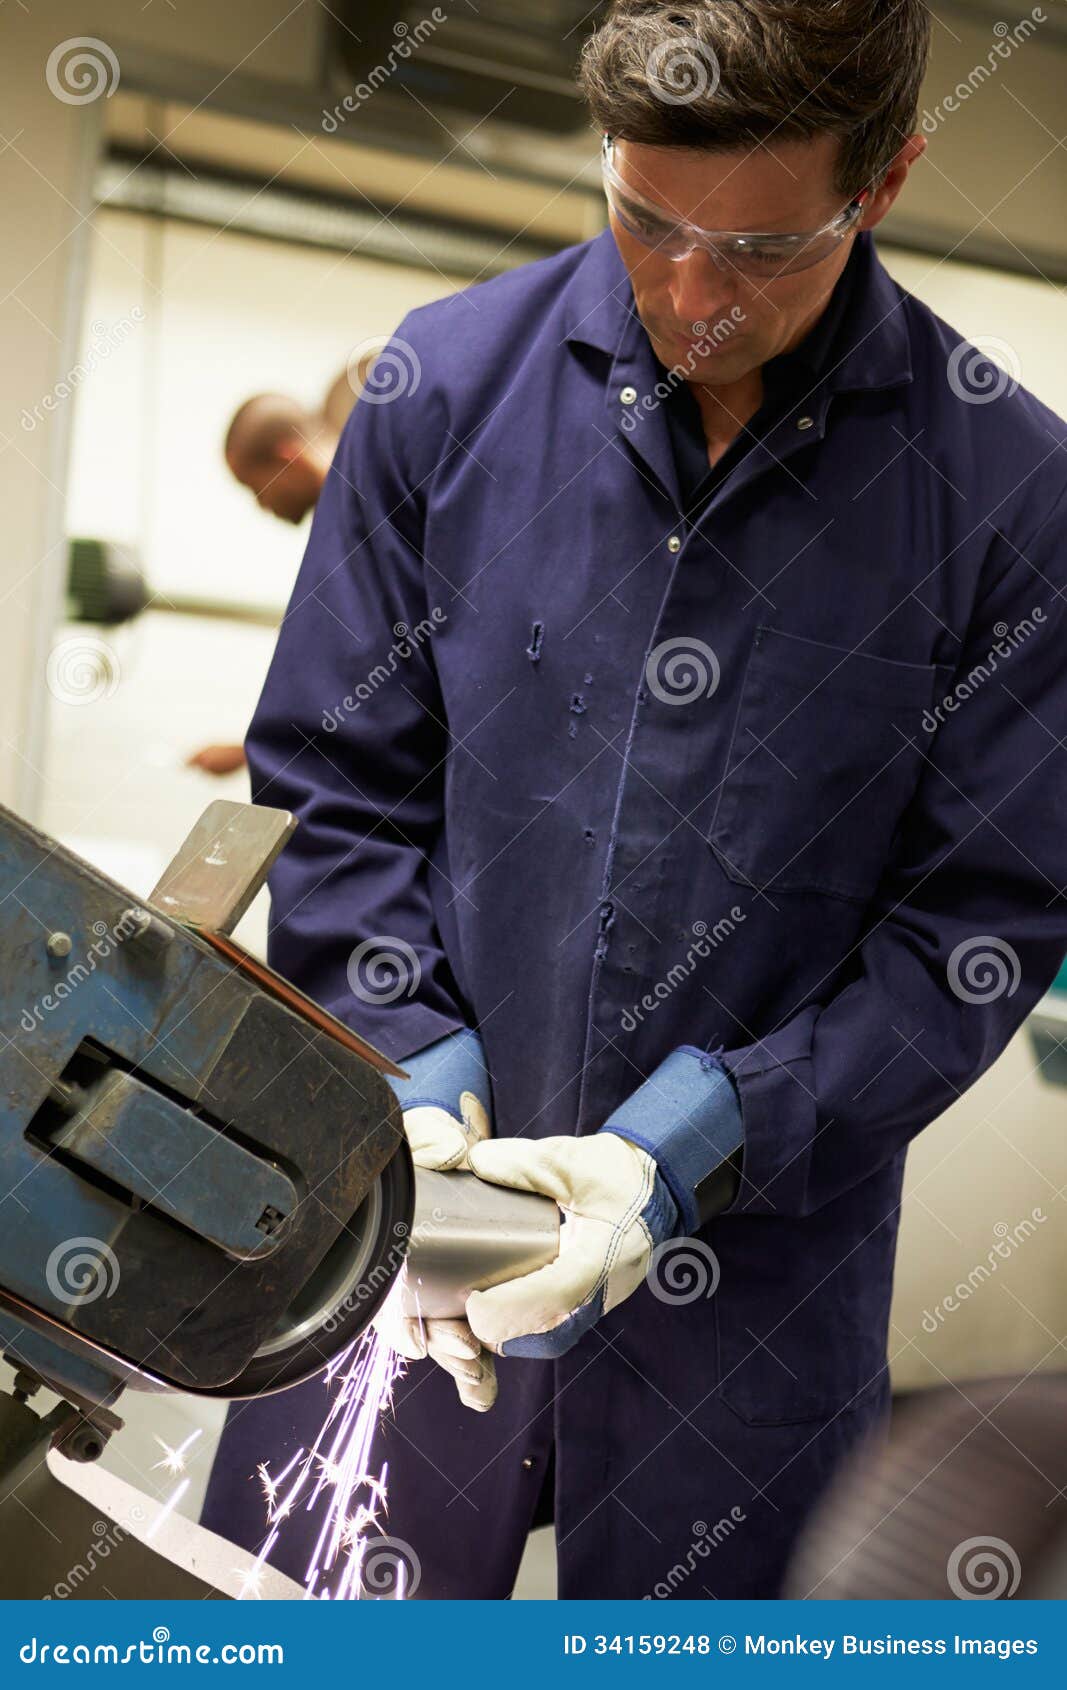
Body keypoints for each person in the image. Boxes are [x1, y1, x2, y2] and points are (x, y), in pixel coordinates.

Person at [201, 0, 1067, 1599]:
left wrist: (682, 1143)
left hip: (746, 1289)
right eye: (644, 221)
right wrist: (409, 1076)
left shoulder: (1007, 496)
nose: (688, 295)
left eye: (761, 250)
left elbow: (978, 916)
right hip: (394, 1221)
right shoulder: (437, 392)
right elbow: (336, 777)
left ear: (882, 186)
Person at [187, 378, 358, 776]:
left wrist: (252, 751)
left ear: (289, 457)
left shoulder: (362, 520)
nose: (261, 503)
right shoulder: (338, 525)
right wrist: (250, 751)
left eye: (255, 486)